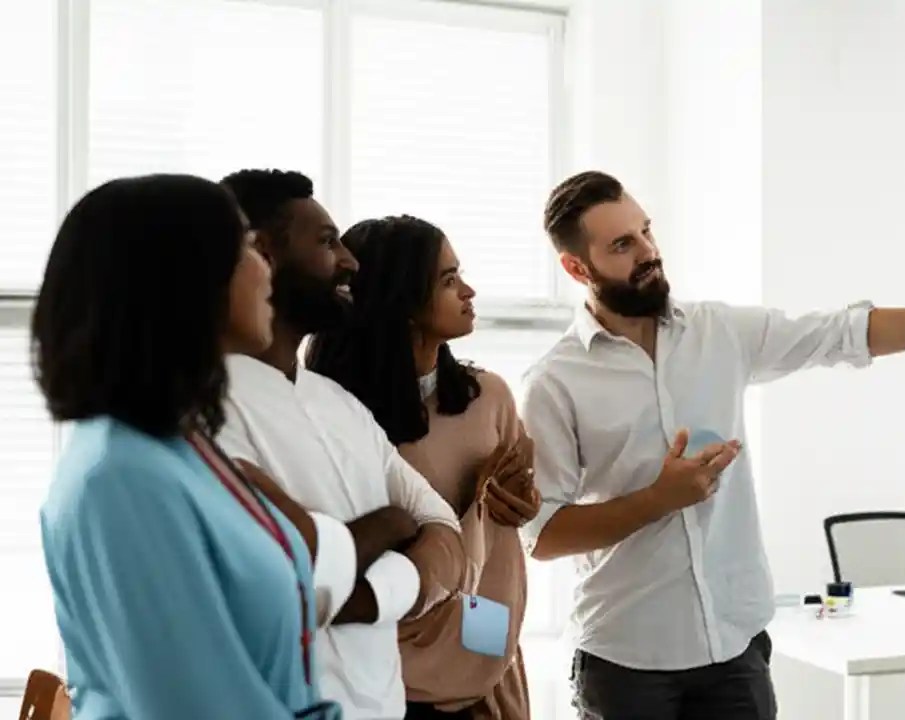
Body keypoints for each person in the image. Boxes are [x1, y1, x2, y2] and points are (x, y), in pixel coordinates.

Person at [519, 170, 905, 719]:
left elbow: (847, 332)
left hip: (734, 651)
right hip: (626, 663)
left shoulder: (718, 332)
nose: (648, 252)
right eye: (623, 244)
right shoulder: (553, 383)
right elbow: (544, 534)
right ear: (576, 267)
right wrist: (657, 499)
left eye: (646, 231)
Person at [35, 174, 342, 718]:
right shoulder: (122, 474)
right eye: (248, 248)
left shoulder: (181, 443)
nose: (265, 267)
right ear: (186, 278)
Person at [216, 170, 472, 720]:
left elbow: (445, 535)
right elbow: (284, 578)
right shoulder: (204, 411)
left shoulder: (340, 405)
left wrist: (371, 597)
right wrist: (390, 525)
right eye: (328, 243)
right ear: (262, 253)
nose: (351, 262)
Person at [307, 215, 542, 720]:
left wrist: (523, 500)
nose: (469, 291)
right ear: (402, 302)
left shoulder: (491, 397)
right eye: (449, 280)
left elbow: (512, 520)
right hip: (392, 678)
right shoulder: (340, 417)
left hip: (490, 664)